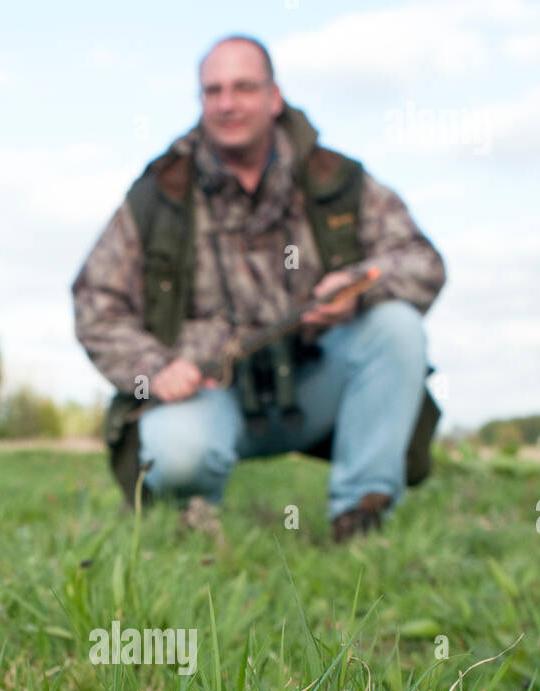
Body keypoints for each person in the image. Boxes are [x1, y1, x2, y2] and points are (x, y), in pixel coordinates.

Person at [71, 34, 447, 542]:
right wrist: (154, 369)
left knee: (395, 326)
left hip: (315, 379)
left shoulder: (335, 180)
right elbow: (96, 299)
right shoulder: (160, 196)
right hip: (210, 392)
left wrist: (358, 288)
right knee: (178, 453)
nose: (227, 104)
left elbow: (421, 261)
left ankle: (361, 515)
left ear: (274, 97)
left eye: (244, 88)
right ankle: (191, 520)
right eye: (213, 91)